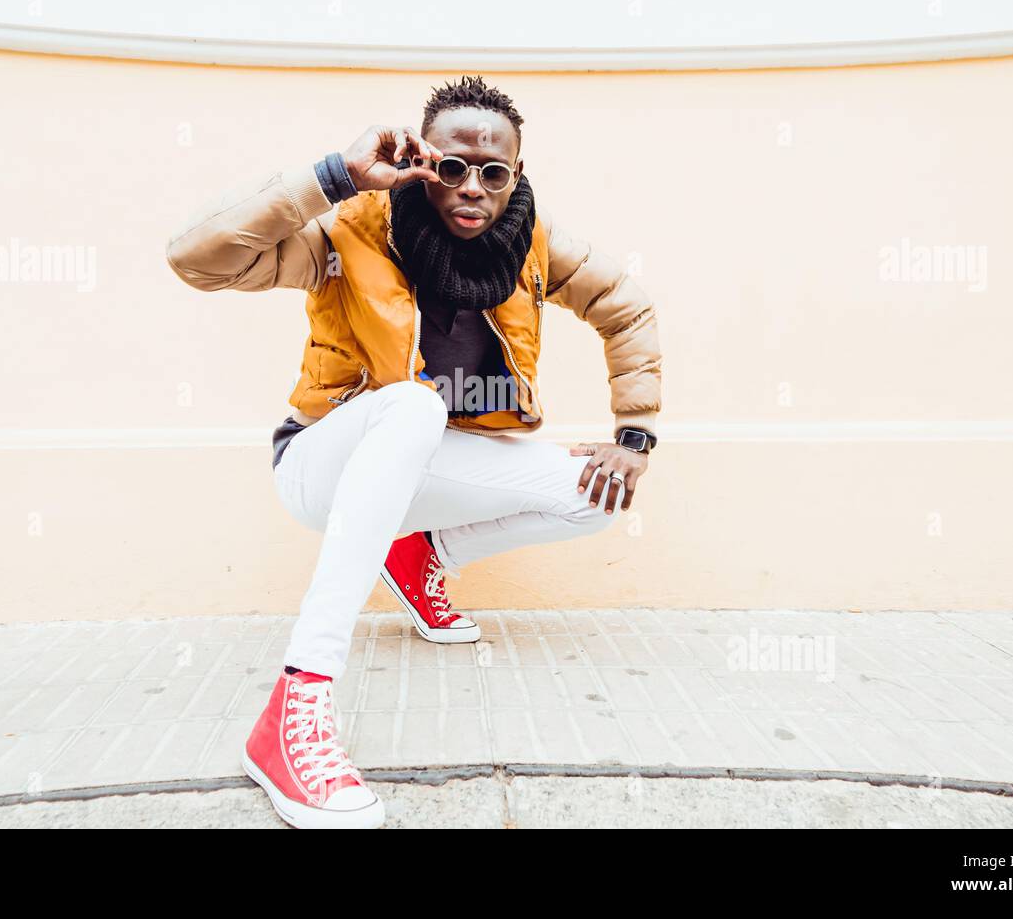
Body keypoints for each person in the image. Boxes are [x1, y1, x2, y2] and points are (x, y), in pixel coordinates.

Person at [166, 75, 663, 828]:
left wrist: (633, 436)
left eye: (493, 172)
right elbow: (197, 258)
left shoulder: (534, 241)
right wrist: (332, 175)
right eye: (452, 165)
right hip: (319, 465)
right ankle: (295, 706)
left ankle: (422, 555)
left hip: (427, 464)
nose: (472, 187)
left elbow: (626, 307)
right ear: (422, 161)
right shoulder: (350, 230)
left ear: (515, 178)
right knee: (410, 405)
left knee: (597, 495)